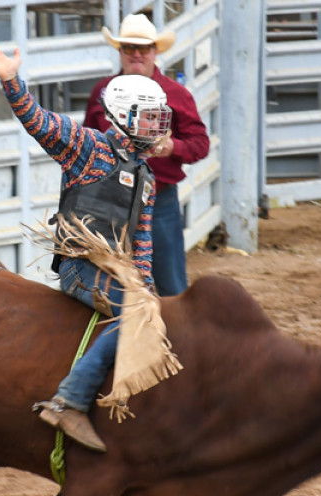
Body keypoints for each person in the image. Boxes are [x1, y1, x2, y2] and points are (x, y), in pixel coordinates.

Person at [0, 38, 172, 453]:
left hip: (115, 269)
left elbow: (140, 240)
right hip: (79, 265)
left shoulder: (147, 176)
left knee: (152, 308)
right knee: (135, 316)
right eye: (151, 119)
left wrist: (145, 285)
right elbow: (37, 119)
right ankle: (69, 401)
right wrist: (11, 81)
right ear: (124, 116)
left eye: (162, 118)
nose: (159, 127)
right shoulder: (87, 147)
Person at [82, 14, 209, 297]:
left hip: (158, 200)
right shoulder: (100, 94)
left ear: (155, 51)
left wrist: (172, 147)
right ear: (120, 52)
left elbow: (200, 143)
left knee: (171, 286)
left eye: (143, 48)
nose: (136, 54)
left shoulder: (176, 95)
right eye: (129, 47)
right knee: (104, 287)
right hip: (108, 202)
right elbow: (86, 143)